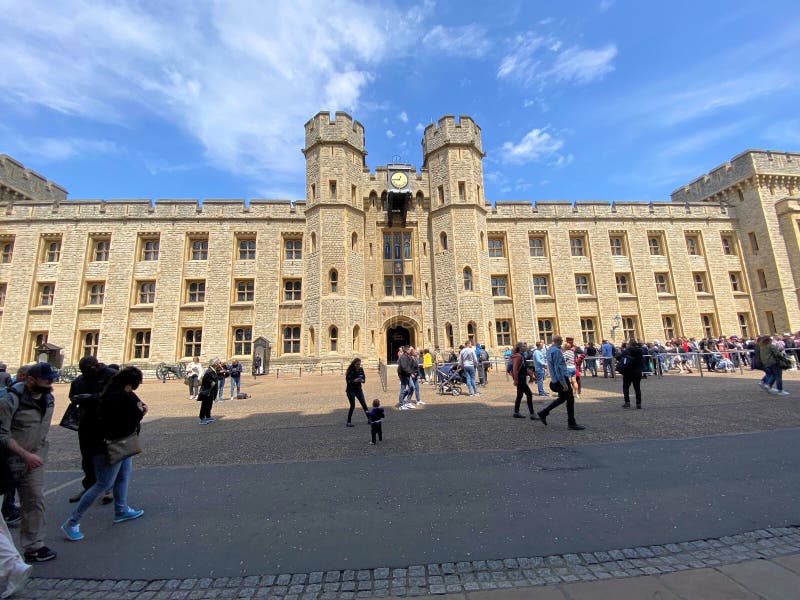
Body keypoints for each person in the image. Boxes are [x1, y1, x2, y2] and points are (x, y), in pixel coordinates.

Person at [60, 367, 147, 541]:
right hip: (108, 446)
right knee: (103, 483)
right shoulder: (116, 397)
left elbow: (137, 408)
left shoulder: (118, 392)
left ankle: (121, 510)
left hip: (123, 443)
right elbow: (135, 413)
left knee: (123, 476)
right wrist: (141, 411)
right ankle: (71, 522)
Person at [0, 362, 58, 563]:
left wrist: (36, 453)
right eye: (46, 379)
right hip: (6, 461)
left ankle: (34, 546)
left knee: (34, 501)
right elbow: (2, 434)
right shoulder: (9, 401)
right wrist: (24, 454)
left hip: (34, 459)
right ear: (31, 380)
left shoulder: (48, 399)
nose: (50, 383)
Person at [67, 357, 118, 505]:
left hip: (107, 422)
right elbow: (72, 396)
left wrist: (92, 397)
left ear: (96, 366)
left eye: (87, 370)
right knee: (87, 457)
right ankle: (89, 487)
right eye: (82, 371)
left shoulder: (110, 375)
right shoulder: (79, 381)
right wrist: (77, 399)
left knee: (110, 455)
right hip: (87, 423)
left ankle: (109, 489)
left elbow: (115, 396)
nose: (85, 373)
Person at [538, 336, 585, 431]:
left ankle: (544, 412)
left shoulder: (550, 350)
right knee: (570, 399)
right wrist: (563, 383)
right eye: (561, 340)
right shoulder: (556, 351)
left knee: (563, 398)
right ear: (559, 341)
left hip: (557, 379)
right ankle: (571, 423)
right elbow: (558, 368)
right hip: (561, 379)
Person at [510, 342, 538, 420]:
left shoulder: (521, 356)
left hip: (522, 378)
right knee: (529, 394)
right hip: (520, 379)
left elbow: (524, 368)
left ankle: (516, 412)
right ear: (519, 348)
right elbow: (515, 369)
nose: (525, 347)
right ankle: (532, 414)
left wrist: (531, 376)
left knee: (520, 395)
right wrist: (515, 380)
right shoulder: (518, 356)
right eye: (523, 346)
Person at [619, 340, 644, 408]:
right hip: (637, 371)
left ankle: (627, 402)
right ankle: (638, 403)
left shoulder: (626, 351)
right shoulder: (640, 351)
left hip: (628, 372)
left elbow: (618, 357)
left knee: (626, 387)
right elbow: (641, 360)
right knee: (637, 388)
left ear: (630, 344)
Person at [344, 358, 369, 427]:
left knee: (364, 404)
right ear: (354, 364)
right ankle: (348, 422)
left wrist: (361, 380)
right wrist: (355, 380)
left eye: (359, 364)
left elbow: (364, 380)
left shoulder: (361, 369)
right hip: (350, 390)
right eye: (357, 364)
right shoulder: (350, 370)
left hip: (358, 389)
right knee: (352, 406)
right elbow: (348, 381)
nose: (358, 366)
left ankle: (369, 419)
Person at [198, 359, 222, 424]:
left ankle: (208, 416)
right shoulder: (209, 371)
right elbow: (205, 379)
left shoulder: (213, 370)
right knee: (204, 405)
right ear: (215, 364)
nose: (219, 364)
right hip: (207, 391)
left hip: (211, 391)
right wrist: (212, 382)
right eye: (218, 363)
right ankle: (202, 418)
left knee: (209, 404)